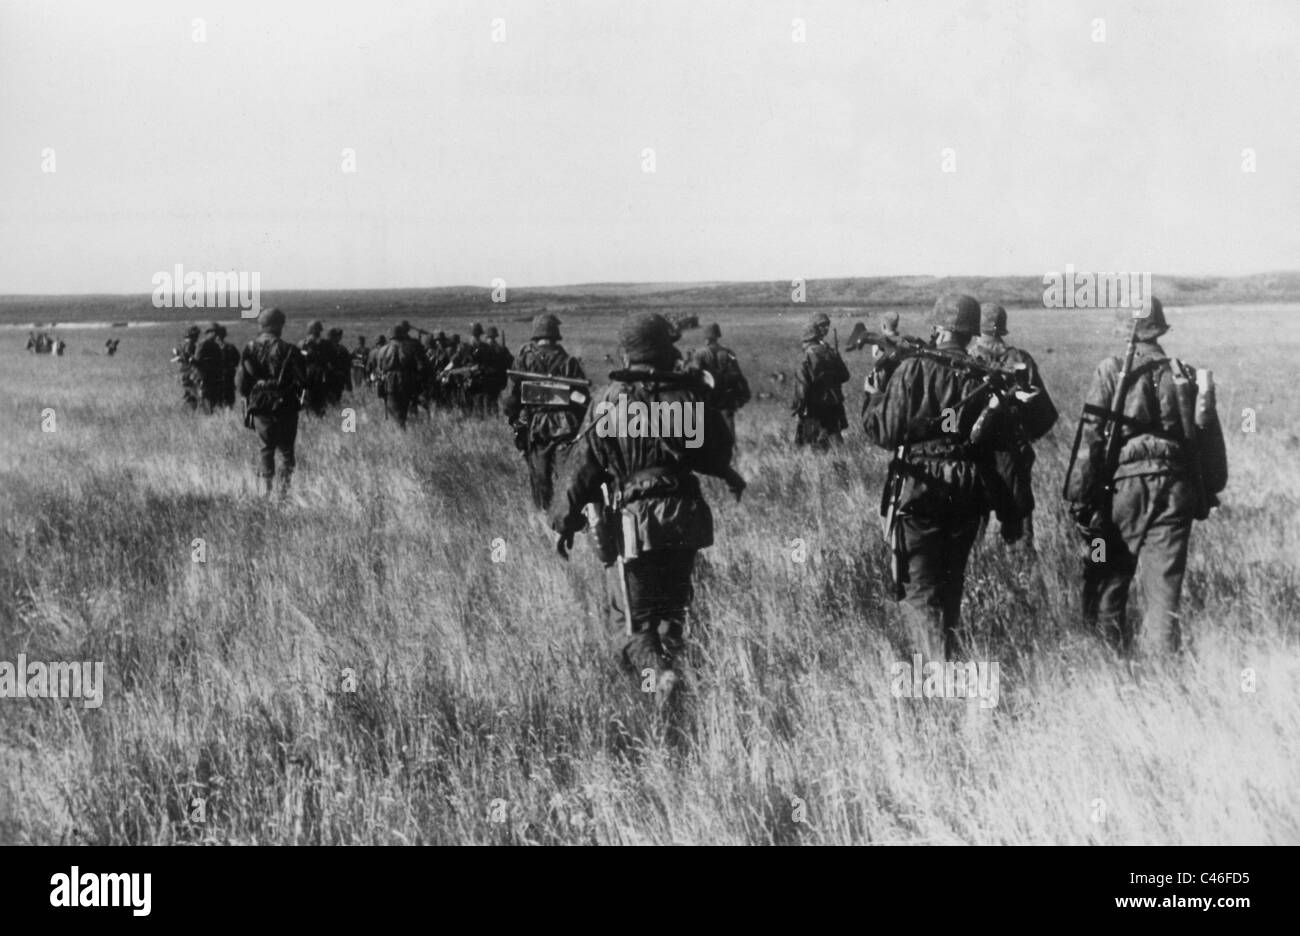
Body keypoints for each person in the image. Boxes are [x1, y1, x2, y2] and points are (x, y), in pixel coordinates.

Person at [550, 312, 743, 702]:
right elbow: (717, 451)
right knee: (672, 615)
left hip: (633, 525)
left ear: (627, 354)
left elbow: (581, 469)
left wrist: (563, 523)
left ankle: (658, 682)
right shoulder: (687, 397)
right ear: (663, 350)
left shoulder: (607, 403)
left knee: (630, 623)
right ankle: (669, 699)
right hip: (684, 520)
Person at [863, 293, 1025, 660]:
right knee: (951, 587)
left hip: (921, 488)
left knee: (920, 591)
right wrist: (1010, 513)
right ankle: (946, 665)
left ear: (937, 329)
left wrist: (872, 395)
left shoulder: (913, 370)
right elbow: (1003, 453)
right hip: (969, 493)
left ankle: (936, 681)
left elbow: (882, 432)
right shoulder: (983, 376)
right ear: (969, 334)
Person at [1063, 298, 1227, 656]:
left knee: (1107, 578)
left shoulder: (1110, 369)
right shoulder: (1183, 372)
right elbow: (1210, 442)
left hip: (1123, 488)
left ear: (1126, 328)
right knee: (1164, 594)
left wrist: (1079, 497)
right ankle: (1161, 676)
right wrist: (1208, 490)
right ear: (1159, 329)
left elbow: (1091, 437)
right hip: (1177, 488)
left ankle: (1106, 666)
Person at [968, 303, 1059, 544]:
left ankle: (977, 573)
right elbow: (1046, 414)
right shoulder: (1021, 360)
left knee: (972, 527)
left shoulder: (968, 359)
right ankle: (1022, 574)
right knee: (1019, 530)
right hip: (1014, 453)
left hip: (975, 452)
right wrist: (1024, 436)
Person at [503, 314, 587, 510]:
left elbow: (512, 398)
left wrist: (515, 420)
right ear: (555, 335)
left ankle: (543, 515)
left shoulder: (524, 361)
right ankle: (566, 515)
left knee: (539, 475)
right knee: (566, 475)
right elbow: (582, 399)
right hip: (566, 424)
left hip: (537, 425)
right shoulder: (568, 361)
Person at [238, 307, 306, 497]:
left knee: (265, 449)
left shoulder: (249, 348)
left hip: (259, 404)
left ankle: (265, 493)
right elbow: (302, 379)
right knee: (286, 451)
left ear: (261, 325)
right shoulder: (289, 349)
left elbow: (241, 383)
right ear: (279, 326)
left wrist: (250, 396)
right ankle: (284, 493)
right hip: (285, 404)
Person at [792, 311, 850, 448]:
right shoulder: (830, 351)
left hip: (815, 406)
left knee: (810, 445)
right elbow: (845, 376)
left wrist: (799, 407)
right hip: (834, 403)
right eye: (822, 325)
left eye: (827, 325)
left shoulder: (807, 354)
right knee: (835, 442)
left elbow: (802, 385)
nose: (826, 329)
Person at [686, 323, 751, 442]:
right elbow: (737, 374)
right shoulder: (728, 353)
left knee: (707, 430)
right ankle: (734, 452)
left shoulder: (700, 354)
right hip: (726, 396)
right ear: (717, 336)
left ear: (706, 338)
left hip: (708, 397)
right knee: (729, 426)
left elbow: (695, 375)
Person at [374, 321, 426, 427]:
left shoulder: (382, 350)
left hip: (389, 384)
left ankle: (399, 433)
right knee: (409, 412)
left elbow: (379, 370)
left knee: (394, 414)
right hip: (408, 383)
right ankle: (409, 433)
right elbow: (421, 367)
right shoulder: (411, 347)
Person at [193, 323, 227, 414]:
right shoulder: (203, 344)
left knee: (215, 406)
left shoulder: (215, 345)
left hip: (215, 379)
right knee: (207, 406)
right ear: (209, 332)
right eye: (216, 332)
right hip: (205, 379)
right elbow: (197, 361)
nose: (217, 335)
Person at [298, 320, 330, 416]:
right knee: (320, 398)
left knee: (307, 397)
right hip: (321, 375)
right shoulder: (325, 343)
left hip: (306, 374)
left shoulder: (302, 343)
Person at [324, 327, 352, 405]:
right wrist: (349, 385)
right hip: (337, 380)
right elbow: (347, 369)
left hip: (324, 380)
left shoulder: (321, 347)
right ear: (337, 337)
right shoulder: (342, 349)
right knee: (335, 402)